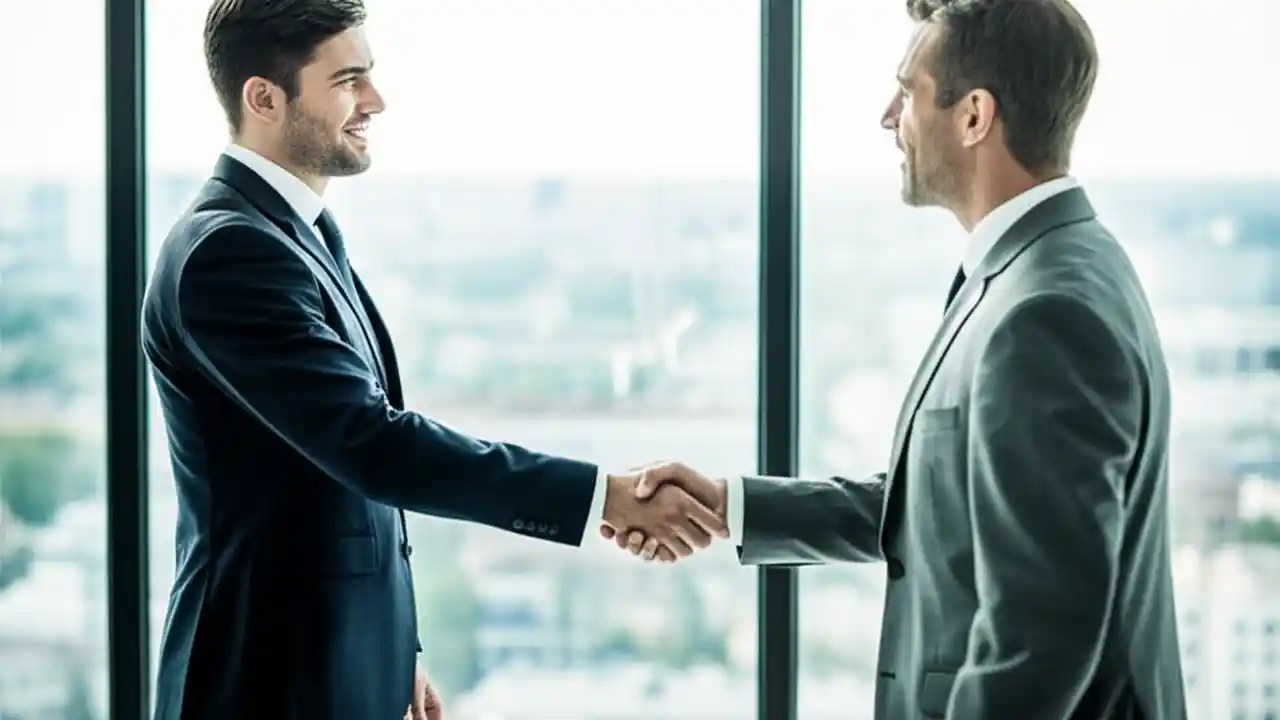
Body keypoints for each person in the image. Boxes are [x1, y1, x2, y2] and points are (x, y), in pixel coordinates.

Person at [142, 1, 724, 718]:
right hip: (261, 678)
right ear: (263, 98)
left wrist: (398, 650)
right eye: (349, 81)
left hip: (327, 665)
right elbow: (374, 446)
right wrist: (601, 496)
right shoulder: (229, 251)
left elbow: (338, 485)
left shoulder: (298, 234)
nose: (376, 101)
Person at [608, 1, 1187, 717]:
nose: (888, 116)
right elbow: (941, 509)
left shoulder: (1043, 314)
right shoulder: (1041, 268)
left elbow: (1039, 640)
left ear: (974, 115)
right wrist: (732, 507)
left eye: (907, 90)